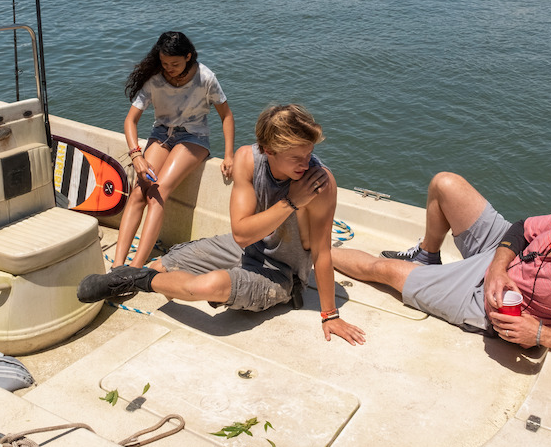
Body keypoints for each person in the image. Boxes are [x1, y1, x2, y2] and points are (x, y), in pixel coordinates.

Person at [78, 104, 366, 346]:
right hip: (245, 246)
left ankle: (129, 279)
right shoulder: (248, 159)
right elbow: (240, 234)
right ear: (267, 150)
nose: (306, 163)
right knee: (163, 268)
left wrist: (330, 314)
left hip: (281, 273)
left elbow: (321, 252)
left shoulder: (319, 183)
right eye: (296, 158)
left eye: (308, 154)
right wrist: (290, 202)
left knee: (208, 285)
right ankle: (141, 276)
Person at [331, 166, 551, 371]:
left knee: (384, 270)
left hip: (485, 302)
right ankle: (427, 255)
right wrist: (498, 266)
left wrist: (540, 334)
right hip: (505, 262)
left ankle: (315, 250)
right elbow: (523, 229)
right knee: (446, 183)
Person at [111, 31, 234, 269]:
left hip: (194, 137)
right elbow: (130, 121)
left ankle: (136, 268)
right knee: (138, 192)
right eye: (165, 63)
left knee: (157, 192)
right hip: (161, 134)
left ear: (188, 56)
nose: (169, 69)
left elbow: (226, 116)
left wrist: (229, 155)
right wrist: (136, 154)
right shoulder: (155, 79)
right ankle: (117, 265)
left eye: (175, 64)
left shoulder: (205, 77)